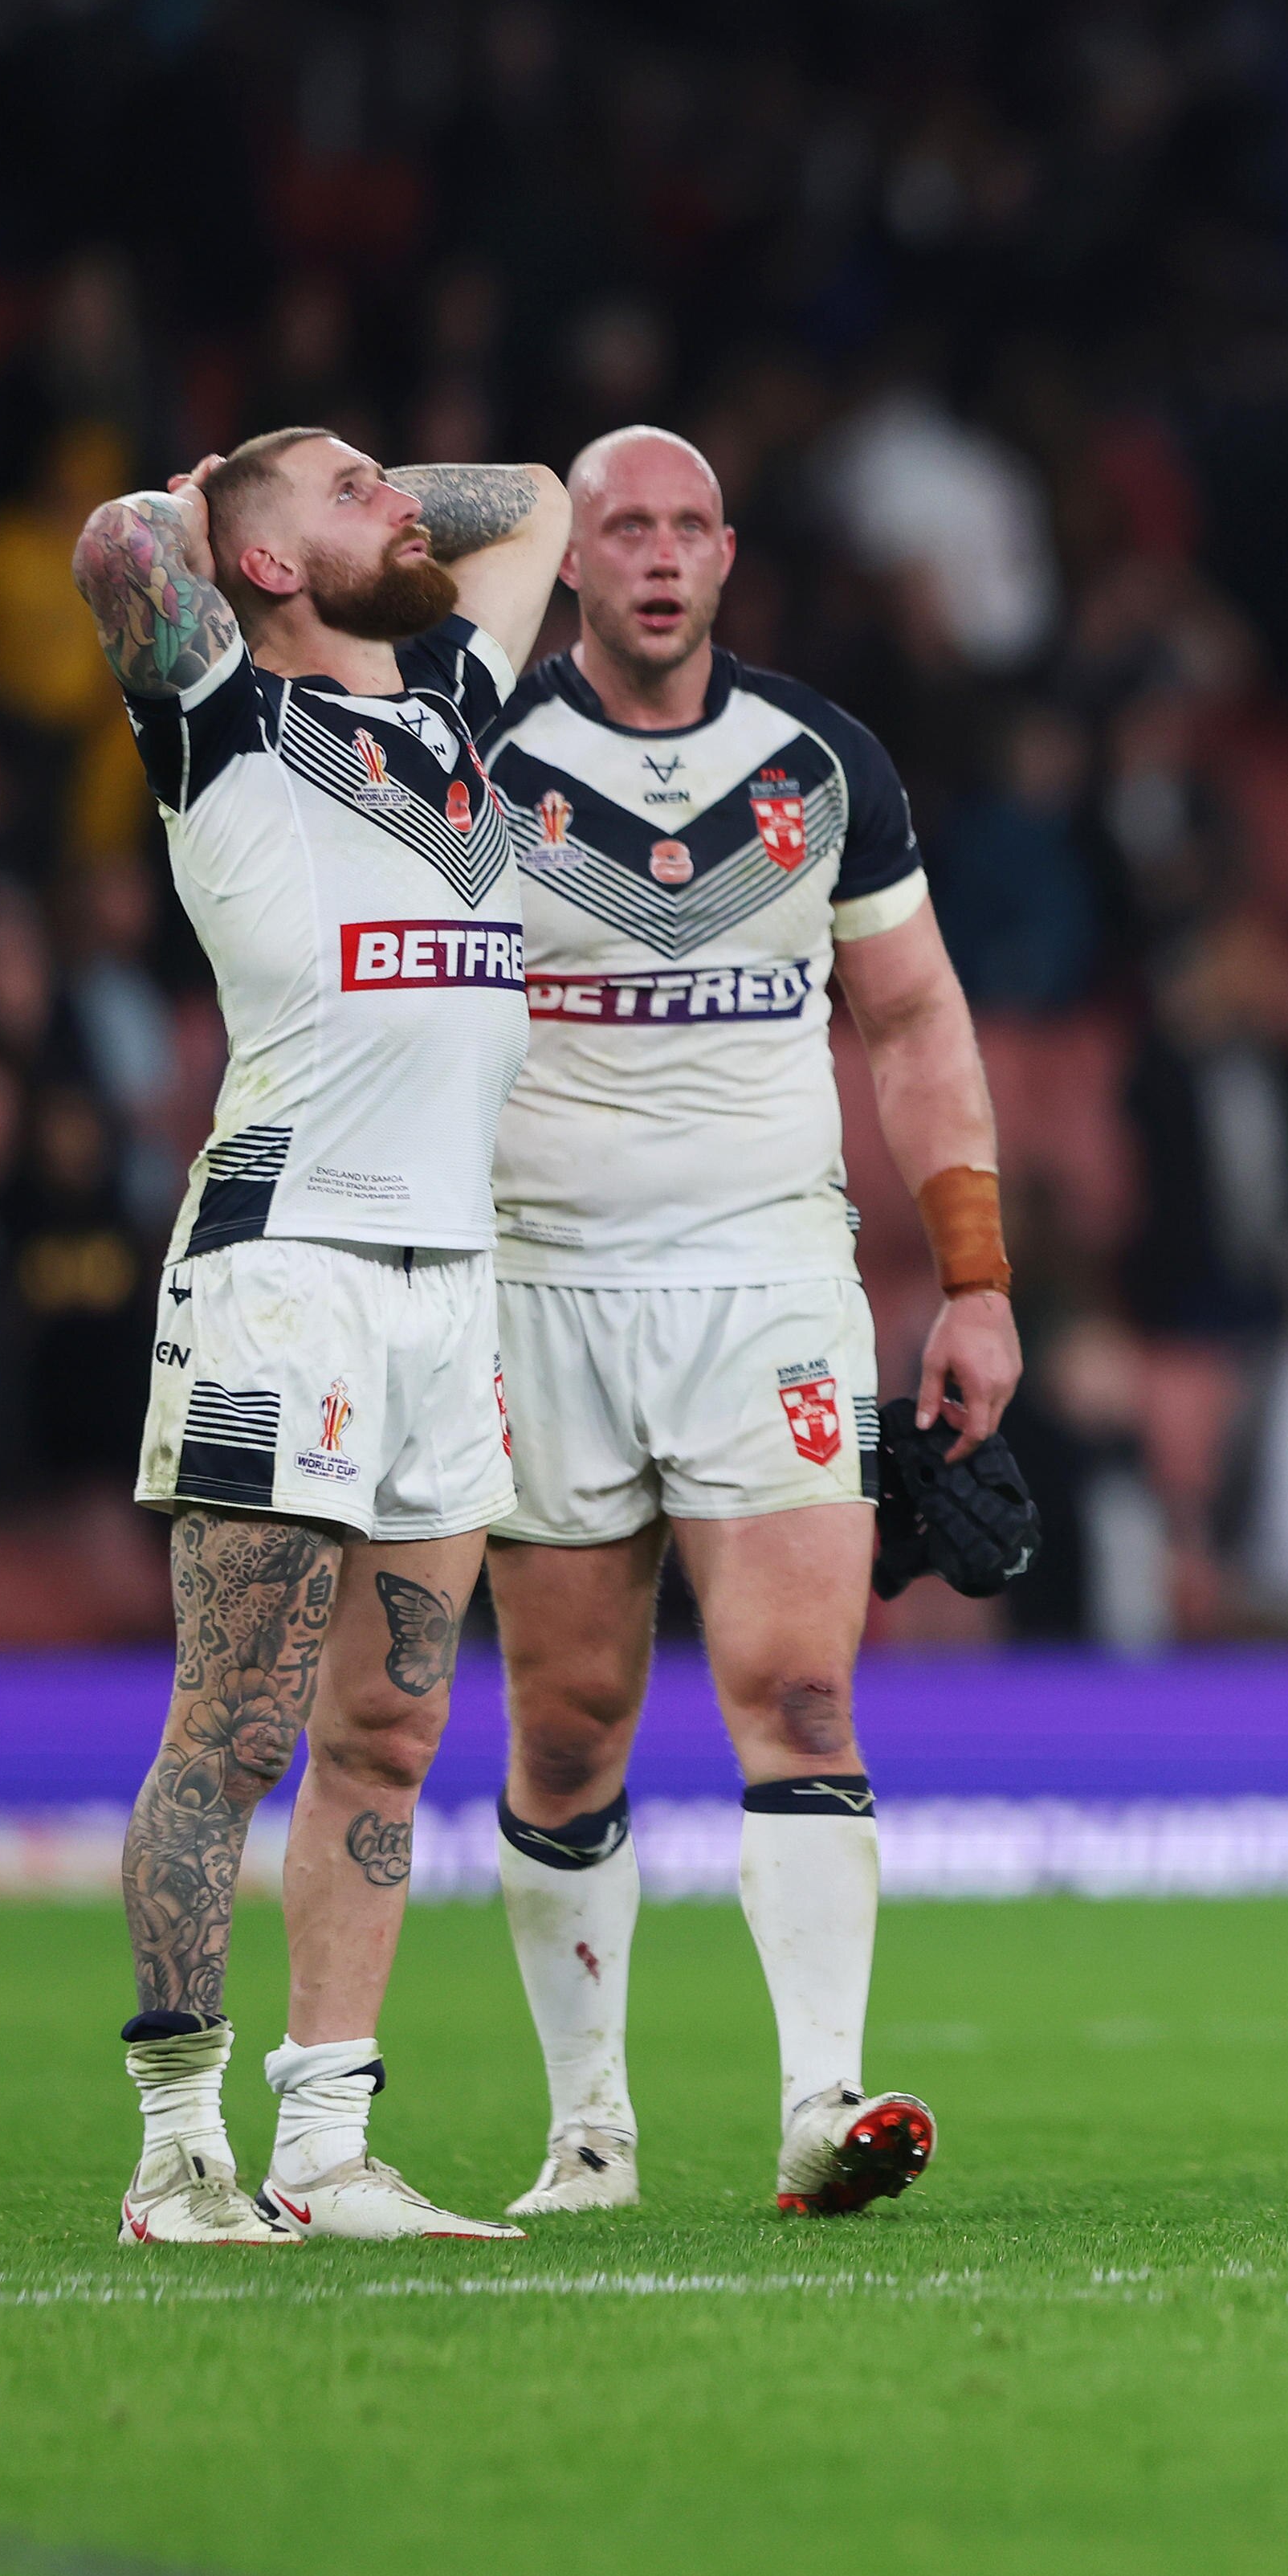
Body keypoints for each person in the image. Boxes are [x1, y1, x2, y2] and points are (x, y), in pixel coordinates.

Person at [471, 426, 1018, 2218]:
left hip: (770, 1276)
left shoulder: (821, 758)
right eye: (619, 526)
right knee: (570, 1726)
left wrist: (977, 1280)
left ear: (727, 555)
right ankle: (590, 2134)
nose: (656, 553)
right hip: (540, 1276)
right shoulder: (480, 749)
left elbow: (914, 1021)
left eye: (687, 526)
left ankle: (820, 2103)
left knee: (800, 1685)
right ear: (568, 560)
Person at [79, 428, 569, 2241]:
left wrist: (356, 506)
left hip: (453, 1279)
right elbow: (119, 542)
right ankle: (175, 2144)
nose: (398, 500)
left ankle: (327, 2146)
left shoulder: (453, 704)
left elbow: (540, 499)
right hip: (292, 1267)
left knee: (390, 1735)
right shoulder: (219, 718)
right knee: (238, 1721)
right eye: (349, 486)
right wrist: (211, 501)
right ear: (265, 565)